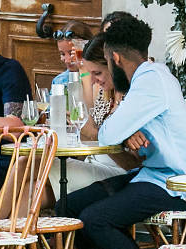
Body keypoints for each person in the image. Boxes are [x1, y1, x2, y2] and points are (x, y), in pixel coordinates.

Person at [67, 14, 186, 249]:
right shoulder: (149, 80)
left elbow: (107, 134)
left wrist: (122, 130)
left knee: (95, 219)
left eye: (106, 63)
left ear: (116, 59)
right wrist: (126, 132)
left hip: (180, 184)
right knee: (69, 210)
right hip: (154, 175)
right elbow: (117, 132)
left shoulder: (150, 81)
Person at [42, 33, 138, 206]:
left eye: (97, 73)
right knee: (31, 181)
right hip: (93, 161)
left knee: (32, 166)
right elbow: (88, 133)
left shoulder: (132, 96)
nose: (94, 79)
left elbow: (131, 158)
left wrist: (93, 133)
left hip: (117, 172)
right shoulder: (103, 93)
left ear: (112, 65)